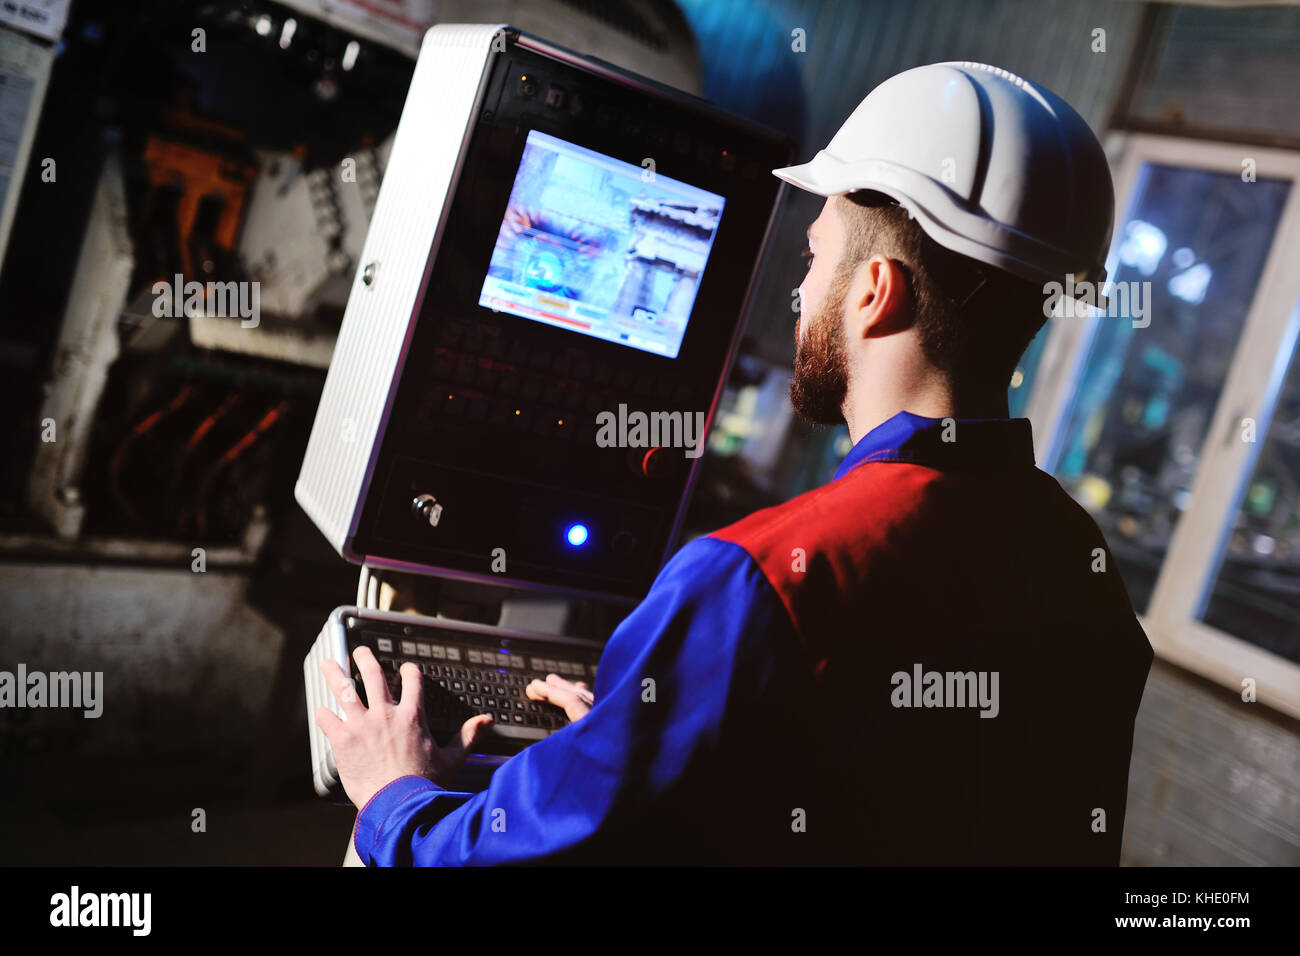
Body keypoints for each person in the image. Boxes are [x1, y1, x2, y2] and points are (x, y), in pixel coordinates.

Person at [317, 61, 1154, 865]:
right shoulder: (1085, 574)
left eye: (812, 258)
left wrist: (395, 795)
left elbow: (501, 858)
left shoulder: (765, 578)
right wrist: (612, 754)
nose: (800, 294)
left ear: (874, 292)